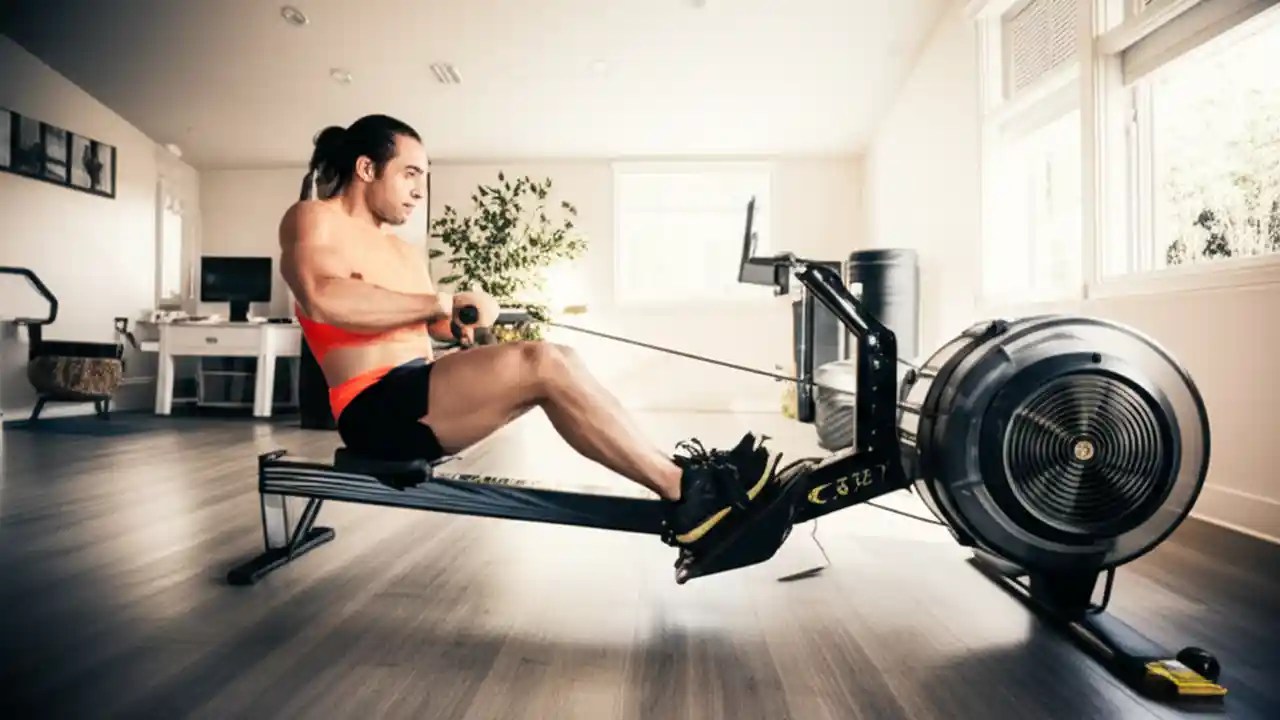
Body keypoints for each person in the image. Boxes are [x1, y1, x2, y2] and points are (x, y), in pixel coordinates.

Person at [277, 114, 782, 553]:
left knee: (556, 359)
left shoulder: (404, 252)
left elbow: (427, 324)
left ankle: (683, 477)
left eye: (424, 178)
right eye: (410, 174)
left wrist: (460, 320)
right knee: (543, 362)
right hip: (372, 409)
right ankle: (688, 493)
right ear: (366, 168)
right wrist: (437, 303)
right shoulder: (314, 217)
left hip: (418, 388)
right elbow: (323, 295)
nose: (419, 190)